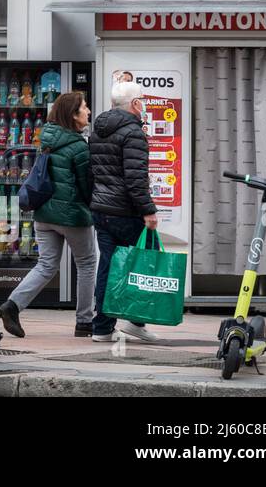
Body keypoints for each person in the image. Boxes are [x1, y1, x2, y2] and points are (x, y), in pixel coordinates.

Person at [0, 91, 99, 340]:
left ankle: (12, 305)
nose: (88, 112)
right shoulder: (78, 147)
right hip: (73, 216)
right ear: (73, 115)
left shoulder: (48, 139)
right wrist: (94, 208)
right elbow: (87, 187)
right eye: (84, 108)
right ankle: (84, 321)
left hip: (43, 214)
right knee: (86, 264)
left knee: (45, 265)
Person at [88, 80, 160, 343]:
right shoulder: (133, 133)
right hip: (126, 212)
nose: (144, 105)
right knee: (137, 266)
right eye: (143, 100)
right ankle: (136, 321)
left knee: (107, 266)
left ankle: (102, 327)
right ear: (135, 103)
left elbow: (91, 172)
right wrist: (148, 211)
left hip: (102, 210)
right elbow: (135, 178)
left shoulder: (98, 130)